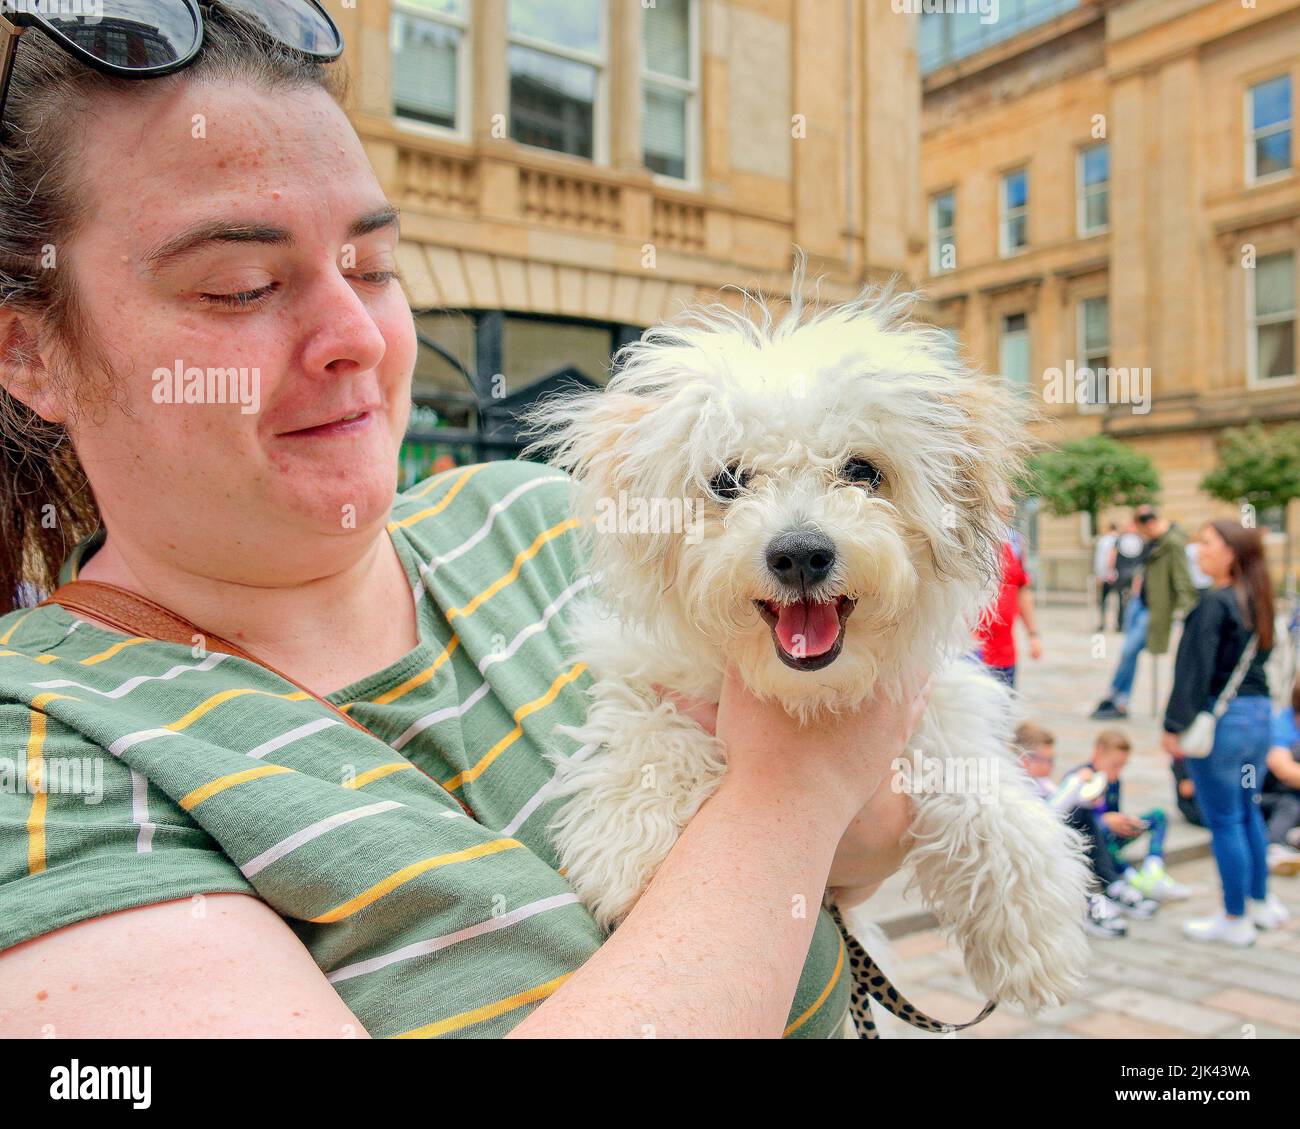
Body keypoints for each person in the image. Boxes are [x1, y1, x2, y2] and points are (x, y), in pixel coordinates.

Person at [0, 10, 924, 1038]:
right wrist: (793, 787)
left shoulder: (551, 528)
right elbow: (824, 795)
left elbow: (869, 843)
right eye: (241, 286)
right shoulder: (38, 760)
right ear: (31, 354)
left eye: (373, 266)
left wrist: (849, 793)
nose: (355, 336)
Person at [1161, 520, 1288, 946]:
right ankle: (1258, 902)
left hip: (1224, 723)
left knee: (1226, 818)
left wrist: (1173, 727)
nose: (1198, 549)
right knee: (1248, 808)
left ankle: (1234, 918)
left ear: (1231, 551)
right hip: (1257, 717)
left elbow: (1192, 672)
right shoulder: (1259, 598)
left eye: (1207, 542)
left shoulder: (1215, 603)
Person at [1013, 723, 1125, 938]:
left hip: (1049, 849)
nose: (1050, 766)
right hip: (1028, 853)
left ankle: (1106, 889)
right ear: (1023, 759)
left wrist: (1089, 794)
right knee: (1077, 823)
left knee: (1083, 816)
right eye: (1045, 760)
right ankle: (1102, 892)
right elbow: (1046, 816)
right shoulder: (1016, 786)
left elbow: (1067, 802)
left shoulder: (1042, 783)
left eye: (1052, 760)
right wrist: (1073, 785)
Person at [1061, 730, 1186, 913]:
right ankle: (1127, 878)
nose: (1117, 771)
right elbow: (1071, 822)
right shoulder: (1079, 778)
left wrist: (1127, 822)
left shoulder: (1114, 781)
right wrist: (1103, 821)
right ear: (1098, 754)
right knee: (1102, 836)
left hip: (1111, 836)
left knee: (1158, 816)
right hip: (1089, 843)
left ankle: (1153, 868)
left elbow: (1115, 813)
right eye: (1115, 765)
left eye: (1122, 766)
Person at [1092, 506, 1197, 721]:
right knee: (1127, 653)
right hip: (1140, 603)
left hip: (1155, 608)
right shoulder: (1155, 541)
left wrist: (1189, 611)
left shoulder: (1173, 543)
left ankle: (1116, 697)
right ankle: (1119, 698)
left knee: (1130, 651)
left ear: (1149, 524)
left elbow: (1182, 577)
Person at [975, 525, 1042, 689]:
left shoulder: (1013, 541)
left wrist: (1032, 634)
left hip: (1005, 654)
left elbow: (1021, 588)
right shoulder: (963, 536)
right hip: (972, 655)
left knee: (1004, 711)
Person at [1264, 674, 1300, 877]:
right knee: (1289, 804)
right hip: (1266, 793)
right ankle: (1273, 847)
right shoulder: (1282, 724)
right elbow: (1283, 769)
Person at [1111, 520, 1144, 632]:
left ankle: (1121, 624)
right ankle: (1129, 623)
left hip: (1123, 573)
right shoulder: (1140, 539)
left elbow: (1113, 555)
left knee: (1123, 600)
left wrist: (1111, 569)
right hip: (1133, 573)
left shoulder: (1120, 539)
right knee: (1132, 599)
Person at [1093, 522, 1119, 634]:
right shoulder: (1120, 540)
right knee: (1120, 600)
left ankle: (1103, 623)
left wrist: (1099, 575)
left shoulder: (1103, 541)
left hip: (1105, 574)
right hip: (1119, 575)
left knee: (1103, 600)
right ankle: (1120, 623)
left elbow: (1100, 560)